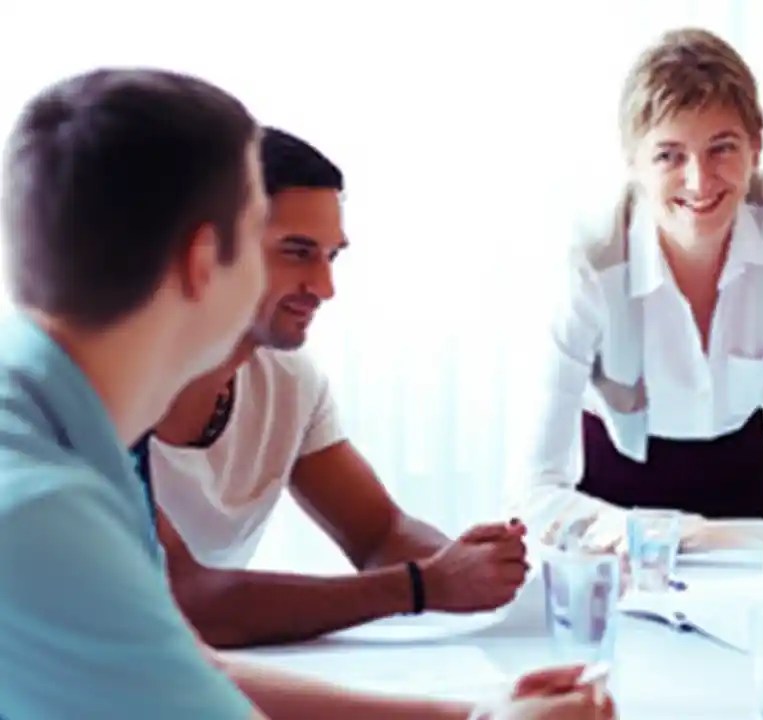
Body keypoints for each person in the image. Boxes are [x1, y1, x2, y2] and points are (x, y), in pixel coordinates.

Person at [0, 67, 610, 720]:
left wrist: (473, 716)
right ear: (206, 259)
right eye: (266, 235)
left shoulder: (67, 431)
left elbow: (191, 668)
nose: (323, 286)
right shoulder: (43, 513)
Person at [136, 126, 528, 649]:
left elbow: (379, 534)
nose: (324, 288)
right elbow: (188, 602)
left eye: (332, 256)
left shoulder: (289, 382)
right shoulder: (103, 389)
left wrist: (483, 571)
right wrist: (422, 586)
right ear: (207, 249)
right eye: (297, 252)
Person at [516, 27, 763, 548]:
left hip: (742, 475)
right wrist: (678, 535)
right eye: (670, 155)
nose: (699, 180)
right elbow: (533, 491)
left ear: (756, 147)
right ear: (634, 165)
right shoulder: (588, 253)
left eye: (722, 148)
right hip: (610, 494)